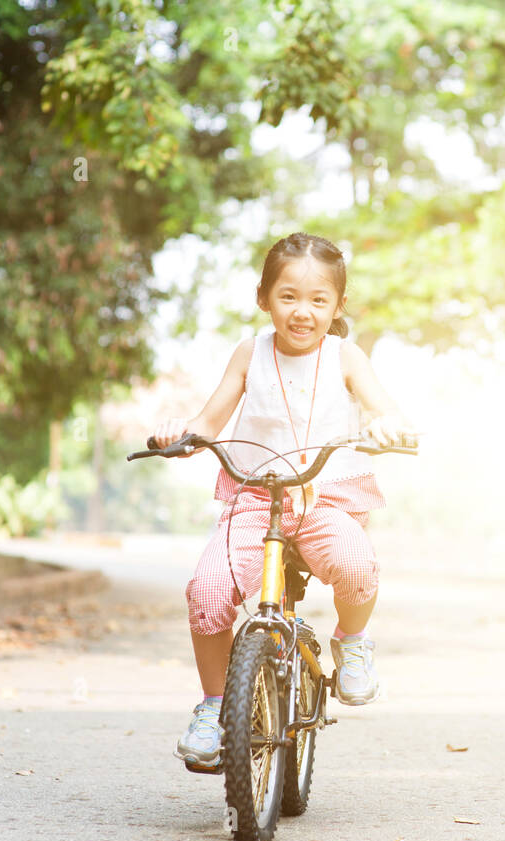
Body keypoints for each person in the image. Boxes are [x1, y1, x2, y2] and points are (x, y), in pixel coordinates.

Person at [154, 232, 411, 772]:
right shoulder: (250, 352)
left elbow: (383, 407)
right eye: (288, 296)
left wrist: (388, 424)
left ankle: (353, 641)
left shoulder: (346, 355)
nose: (303, 311)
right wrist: (180, 435)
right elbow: (208, 421)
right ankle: (213, 706)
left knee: (358, 564)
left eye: (320, 300)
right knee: (208, 590)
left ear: (338, 307)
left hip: (326, 498)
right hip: (256, 494)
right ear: (263, 297)